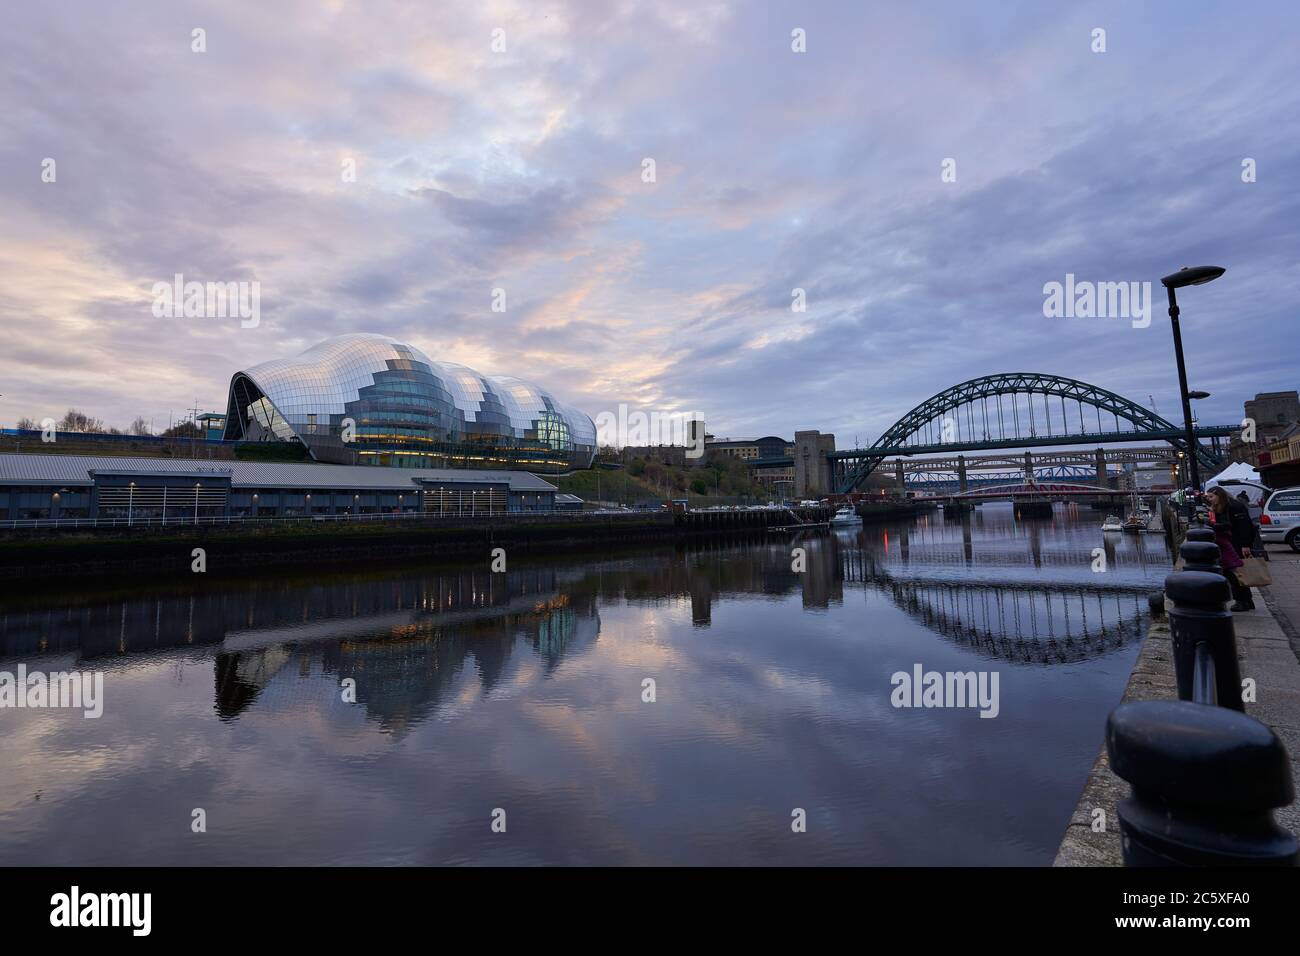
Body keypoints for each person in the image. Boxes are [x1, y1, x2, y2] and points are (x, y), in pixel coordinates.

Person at [1206, 486, 1256, 611]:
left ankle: (1241, 601)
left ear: (1220, 495)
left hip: (1237, 544)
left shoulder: (1234, 506)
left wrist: (1246, 545)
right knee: (1238, 573)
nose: (1209, 500)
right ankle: (1247, 600)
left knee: (1234, 574)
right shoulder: (1223, 507)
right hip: (1230, 543)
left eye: (1211, 497)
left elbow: (1244, 526)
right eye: (1208, 497)